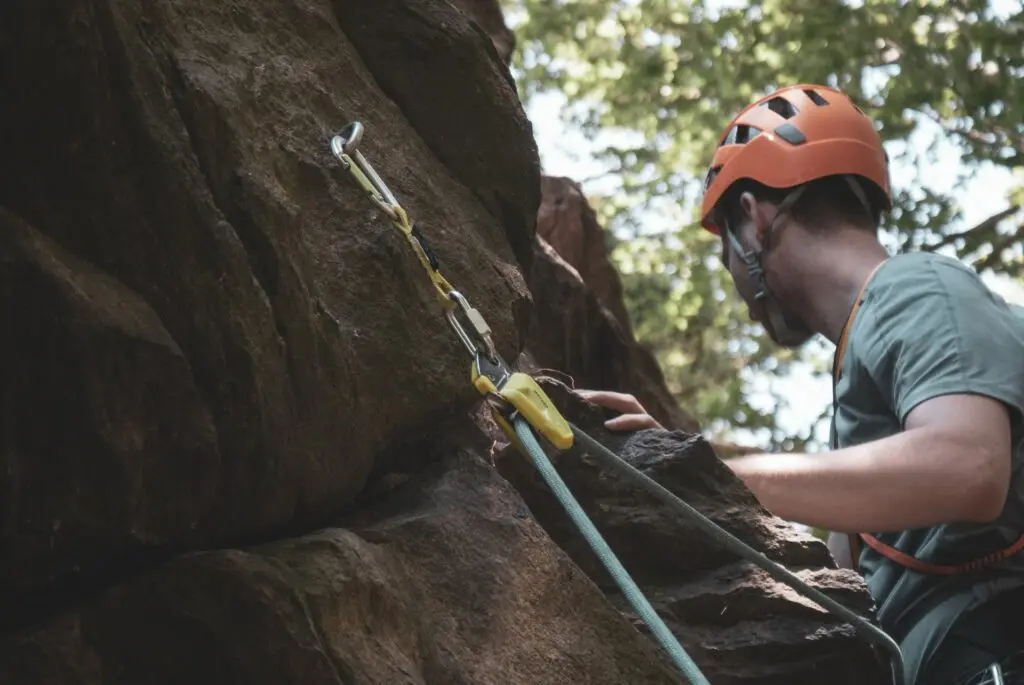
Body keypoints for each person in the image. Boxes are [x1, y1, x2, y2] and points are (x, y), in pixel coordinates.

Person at [576, 84, 1024, 685]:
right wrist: (677, 472)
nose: (736, 282)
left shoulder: (917, 289)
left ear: (752, 218)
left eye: (725, 253)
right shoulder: (866, 390)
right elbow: (841, 589)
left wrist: (702, 469)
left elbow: (967, 465)